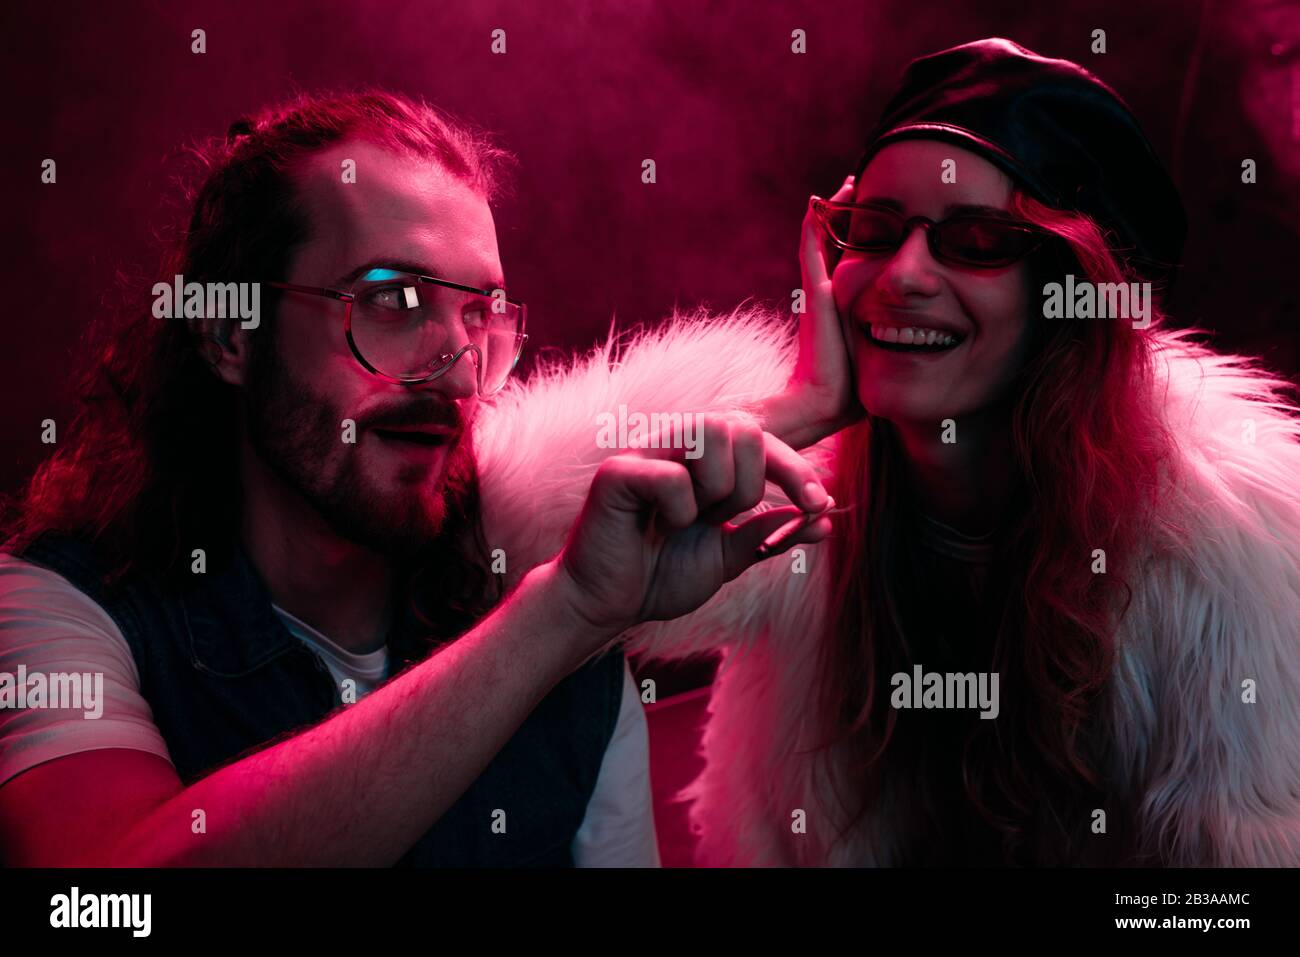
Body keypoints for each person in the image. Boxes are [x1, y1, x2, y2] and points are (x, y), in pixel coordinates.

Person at [501, 38, 1300, 866]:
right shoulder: (802, 488)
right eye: (875, 230)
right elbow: (504, 538)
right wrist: (797, 408)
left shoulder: (1224, 542)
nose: (905, 273)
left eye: (979, 241)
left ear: (1071, 297)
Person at [0, 91, 834, 866]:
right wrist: (560, 613)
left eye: (480, 314)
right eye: (392, 301)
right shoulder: (57, 609)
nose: (457, 371)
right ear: (229, 335)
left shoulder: (575, 658)